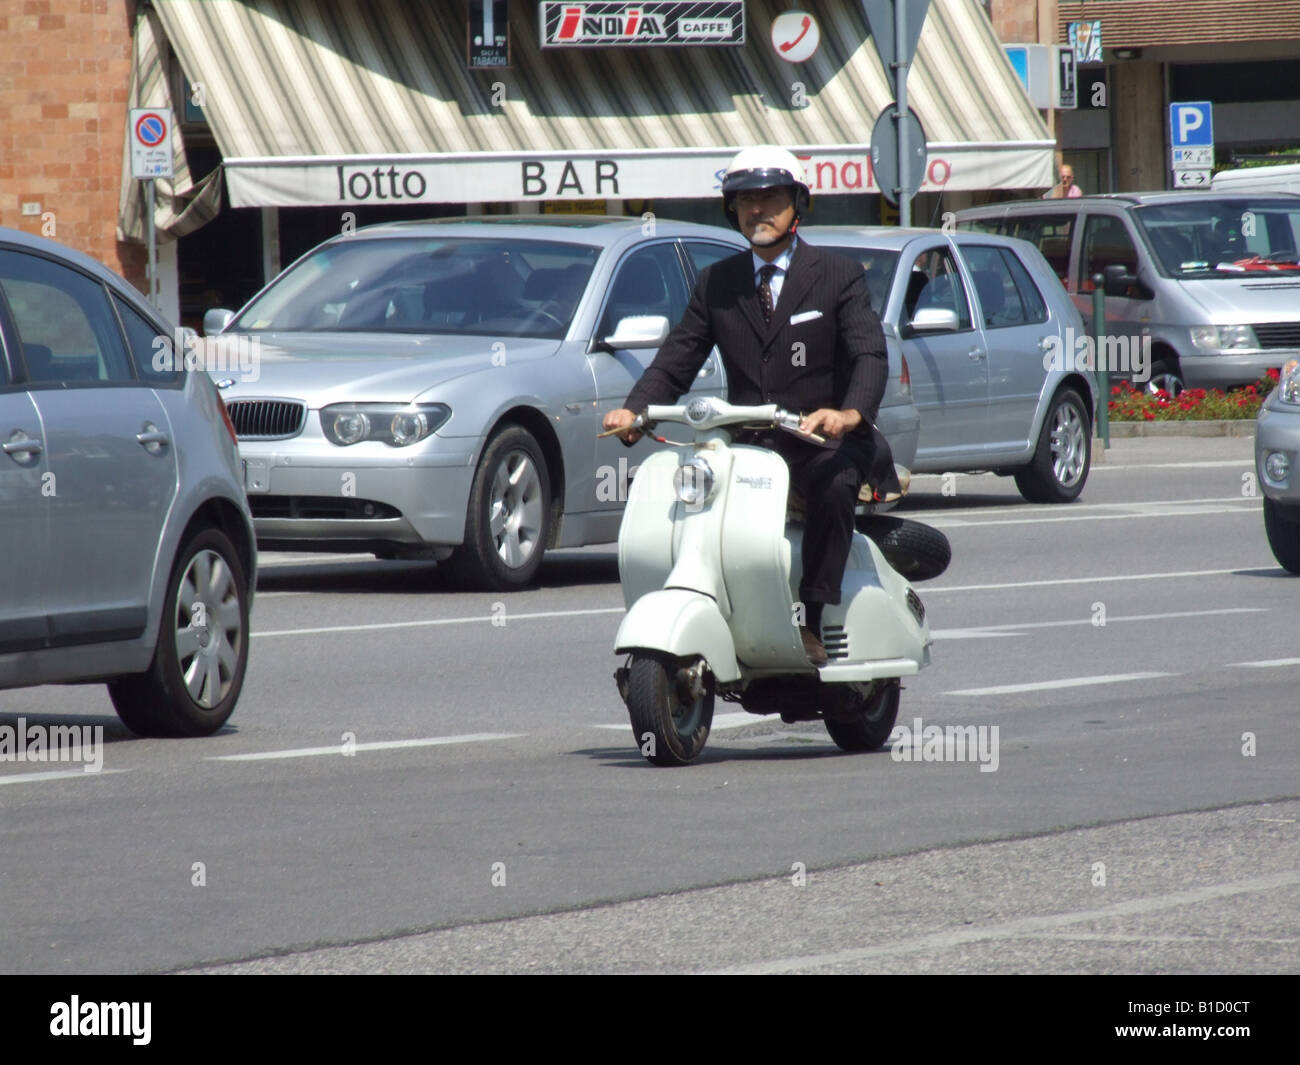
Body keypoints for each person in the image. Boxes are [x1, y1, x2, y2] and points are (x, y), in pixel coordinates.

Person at [601, 145, 899, 666]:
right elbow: (678, 356)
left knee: (833, 483)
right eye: (744, 201)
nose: (756, 211)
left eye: (770, 198)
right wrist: (636, 409)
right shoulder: (718, 282)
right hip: (746, 443)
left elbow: (870, 353)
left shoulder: (839, 274)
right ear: (731, 211)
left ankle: (811, 612)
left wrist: (848, 414)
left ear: (798, 205)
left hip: (820, 442)